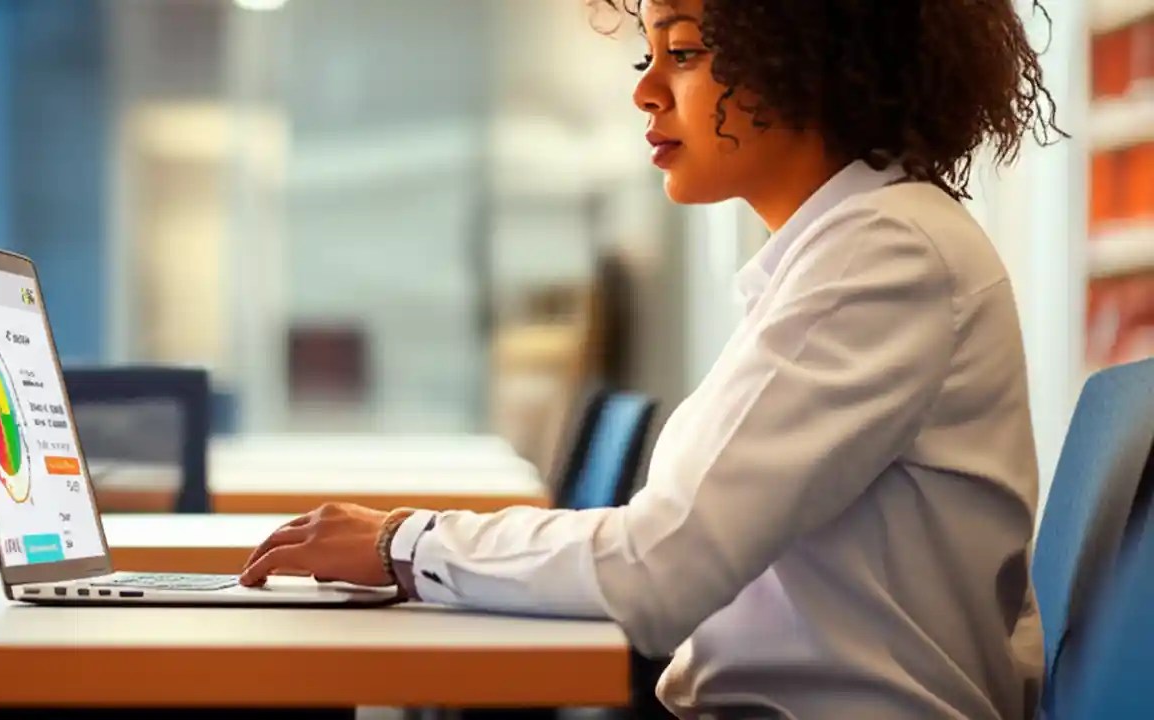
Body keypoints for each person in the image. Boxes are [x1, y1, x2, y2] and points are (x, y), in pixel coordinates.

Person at [239, 0, 1065, 717]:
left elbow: (656, 570)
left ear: (812, 57)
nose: (645, 90)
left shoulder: (888, 255)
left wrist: (405, 542)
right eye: (649, 54)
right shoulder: (845, 254)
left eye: (683, 52)